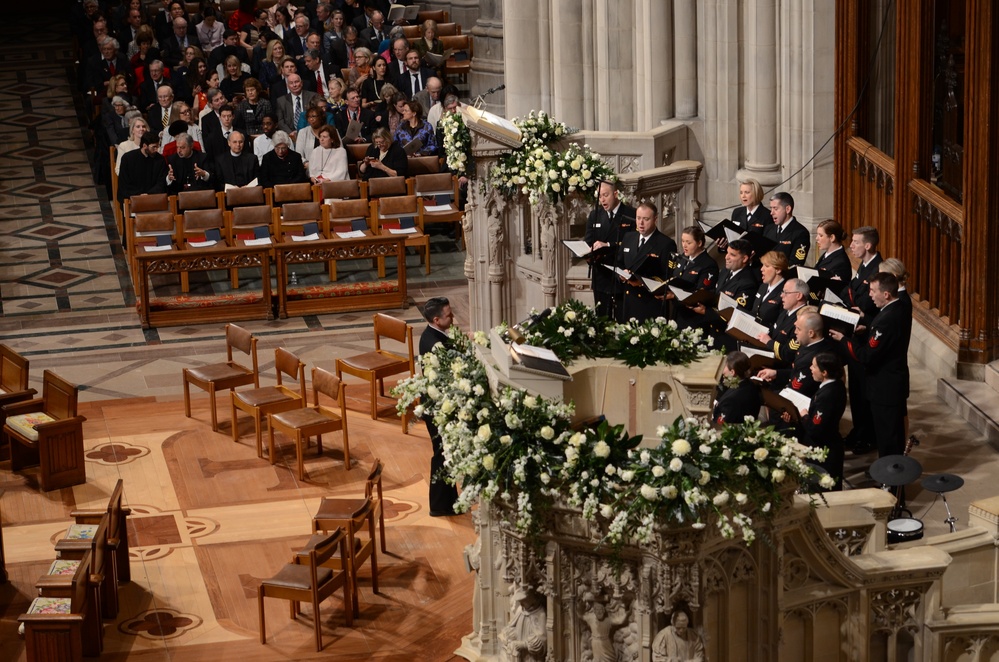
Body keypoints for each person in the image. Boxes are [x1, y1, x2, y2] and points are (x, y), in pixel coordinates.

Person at [830, 272, 909, 458]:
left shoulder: (886, 321)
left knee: (888, 439)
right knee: (890, 437)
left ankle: (891, 482)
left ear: (886, 294)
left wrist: (844, 339)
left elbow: (866, 355)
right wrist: (867, 322)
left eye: (873, 291)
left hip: (885, 388)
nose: (870, 295)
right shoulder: (898, 308)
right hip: (893, 385)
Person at [844, 225, 883, 453]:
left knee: (864, 391)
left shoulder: (878, 269)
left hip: (867, 336)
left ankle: (866, 436)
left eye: (856, 242)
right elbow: (851, 292)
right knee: (856, 390)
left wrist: (857, 304)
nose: (852, 246)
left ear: (868, 245)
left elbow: (866, 304)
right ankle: (858, 430)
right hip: (856, 332)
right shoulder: (863, 266)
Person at [419, 296, 459, 516]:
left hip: (437, 405)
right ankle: (440, 506)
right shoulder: (435, 344)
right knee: (442, 454)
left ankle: (449, 501)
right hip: (437, 409)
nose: (452, 317)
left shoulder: (434, 334)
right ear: (436, 319)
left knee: (445, 453)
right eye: (448, 315)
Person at [616, 203, 678, 323]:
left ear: (655, 219)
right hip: (629, 301)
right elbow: (619, 263)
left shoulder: (665, 243)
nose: (641, 223)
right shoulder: (629, 237)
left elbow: (668, 276)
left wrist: (642, 282)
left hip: (650, 304)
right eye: (638, 218)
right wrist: (621, 275)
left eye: (646, 219)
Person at [584, 180, 636, 320]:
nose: (602, 200)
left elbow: (633, 245)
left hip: (621, 275)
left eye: (605, 195)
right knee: (602, 320)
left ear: (615, 194)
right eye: (600, 196)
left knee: (622, 319)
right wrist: (588, 253)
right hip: (600, 276)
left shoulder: (631, 214)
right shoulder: (595, 215)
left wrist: (608, 245)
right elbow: (588, 242)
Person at [799, 352, 847, 490]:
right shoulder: (836, 385)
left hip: (823, 452)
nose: (810, 369)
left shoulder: (827, 395)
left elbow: (815, 429)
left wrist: (804, 416)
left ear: (824, 372)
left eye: (814, 366)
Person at [666, 225, 717, 329]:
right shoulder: (683, 258)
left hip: (693, 319)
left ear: (699, 243)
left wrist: (674, 295)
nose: (684, 245)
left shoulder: (708, 264)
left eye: (689, 243)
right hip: (677, 314)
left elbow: (701, 294)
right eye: (683, 241)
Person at [756, 277, 809, 365]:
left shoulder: (802, 319)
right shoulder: (785, 312)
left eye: (786, 292)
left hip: (781, 366)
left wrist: (769, 342)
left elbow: (789, 354)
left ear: (798, 296)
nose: (781, 295)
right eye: (782, 292)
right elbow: (773, 332)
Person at [712, 351, 762, 426]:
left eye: (724, 366)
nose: (722, 372)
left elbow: (721, 425)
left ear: (732, 372)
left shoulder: (731, 400)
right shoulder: (750, 385)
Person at [117, 133, 168, 203]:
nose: (156, 150)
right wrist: (139, 195)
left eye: (157, 146)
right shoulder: (128, 159)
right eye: (154, 147)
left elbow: (161, 182)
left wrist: (148, 194)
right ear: (144, 146)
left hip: (154, 199)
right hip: (132, 199)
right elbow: (124, 184)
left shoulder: (160, 160)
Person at [499, 587, 546, 662]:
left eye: (523, 601)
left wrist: (524, 645)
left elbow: (542, 640)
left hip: (532, 656)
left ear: (530, 600)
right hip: (518, 654)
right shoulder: (520, 609)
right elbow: (512, 626)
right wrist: (509, 635)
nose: (521, 604)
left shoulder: (540, 614)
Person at [763, 191, 810, 267]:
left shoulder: (800, 233)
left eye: (775, 208)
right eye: (771, 208)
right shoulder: (769, 229)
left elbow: (795, 263)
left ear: (787, 209)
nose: (771, 213)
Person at [751, 250, 788, 328]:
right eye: (762, 265)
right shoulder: (763, 286)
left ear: (778, 270)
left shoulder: (785, 292)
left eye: (766, 266)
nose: (761, 269)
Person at [275, 73, 317, 139]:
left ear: (301, 83)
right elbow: (280, 121)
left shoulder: (312, 96)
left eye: (296, 82)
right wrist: (290, 133)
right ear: (288, 86)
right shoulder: (281, 101)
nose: (294, 85)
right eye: (291, 83)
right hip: (290, 135)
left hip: (310, 133)